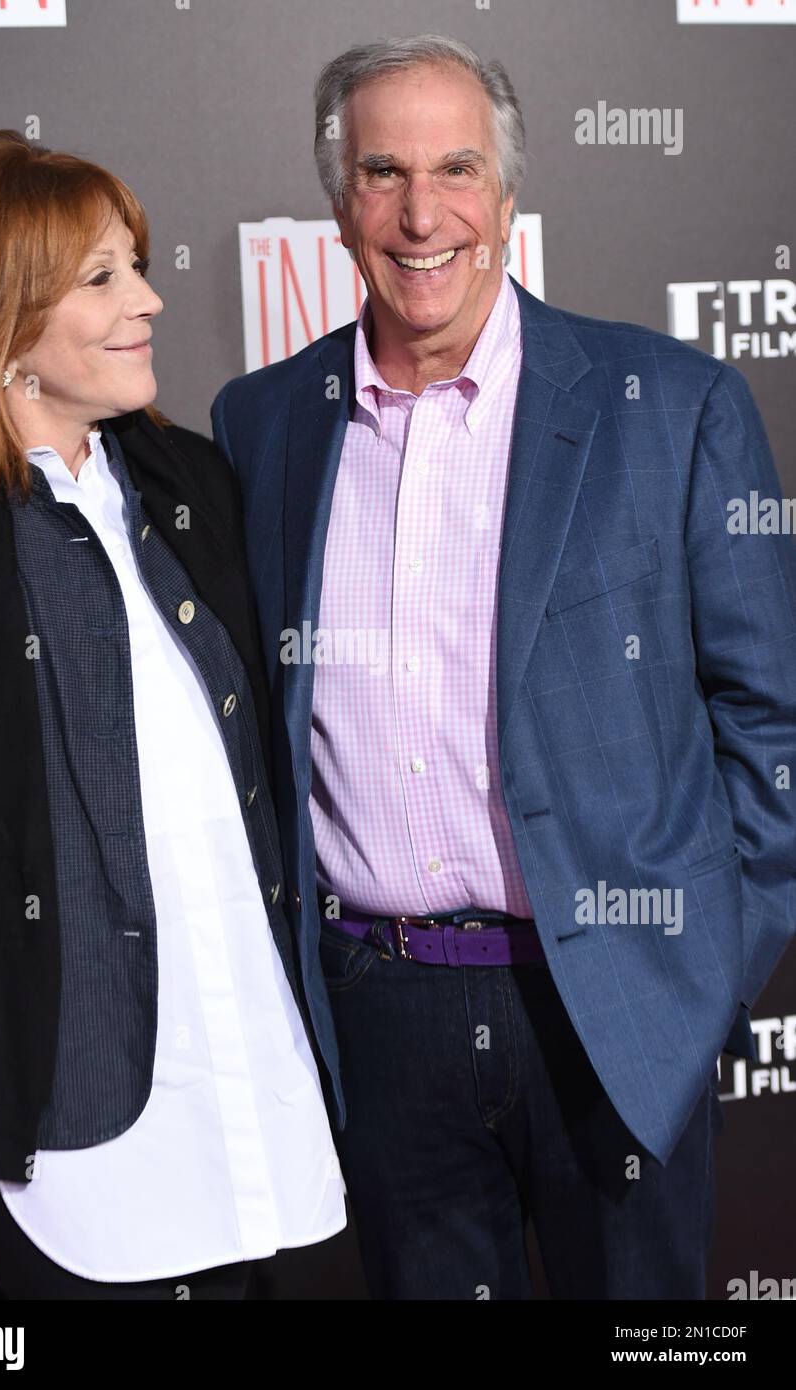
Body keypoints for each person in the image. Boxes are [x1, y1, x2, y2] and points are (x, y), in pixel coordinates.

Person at [211, 35, 796, 1299]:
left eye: (456, 169)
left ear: (508, 197)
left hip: (610, 1006)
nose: (423, 215)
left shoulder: (671, 403)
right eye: (383, 171)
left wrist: (695, 972)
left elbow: (773, 725)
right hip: (380, 1019)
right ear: (336, 202)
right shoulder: (259, 423)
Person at [0, 130, 345, 1300]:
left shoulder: (191, 487)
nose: (148, 296)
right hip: (75, 1156)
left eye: (134, 263)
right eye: (101, 278)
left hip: (273, 1113)